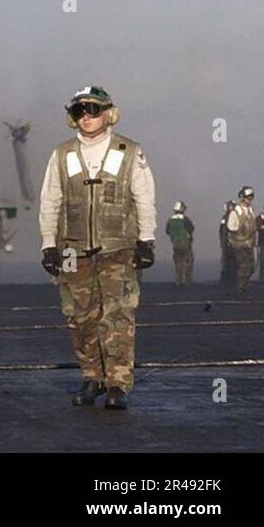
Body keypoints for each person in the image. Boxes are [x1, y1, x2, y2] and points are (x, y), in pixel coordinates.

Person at [39, 85, 156, 410]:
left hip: (117, 249)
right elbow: (50, 201)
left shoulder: (129, 151)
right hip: (72, 252)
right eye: (79, 111)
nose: (86, 117)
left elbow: (144, 197)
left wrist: (146, 239)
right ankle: (92, 377)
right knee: (79, 318)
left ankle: (118, 384)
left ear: (108, 113)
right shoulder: (62, 154)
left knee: (117, 317)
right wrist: (49, 244)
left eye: (93, 109)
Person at [227, 186, 257, 296]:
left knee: (251, 267)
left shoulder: (250, 211)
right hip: (239, 244)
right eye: (248, 197)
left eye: (251, 197)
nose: (250, 200)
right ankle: (241, 288)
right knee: (244, 265)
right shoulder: (236, 212)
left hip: (249, 244)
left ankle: (244, 286)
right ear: (242, 197)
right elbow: (231, 228)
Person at [165, 201, 194, 285]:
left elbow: (167, 231)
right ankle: (187, 280)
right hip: (185, 241)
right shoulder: (185, 219)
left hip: (175, 242)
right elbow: (191, 228)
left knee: (178, 261)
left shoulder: (170, 220)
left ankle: (179, 280)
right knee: (188, 259)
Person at [219, 200, 235, 286]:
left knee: (230, 261)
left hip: (229, 243)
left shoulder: (225, 218)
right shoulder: (226, 218)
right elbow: (223, 231)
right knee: (228, 261)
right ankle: (229, 278)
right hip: (228, 244)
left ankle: (229, 278)